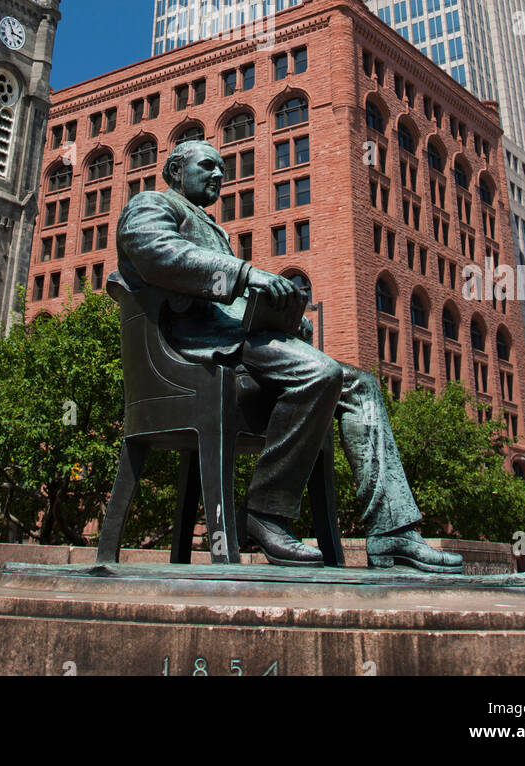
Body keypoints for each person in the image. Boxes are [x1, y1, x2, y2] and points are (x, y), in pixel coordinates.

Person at [114, 139, 463, 571]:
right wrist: (247, 274)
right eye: (208, 167)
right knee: (320, 372)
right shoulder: (149, 205)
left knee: (361, 385)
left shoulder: (216, 230)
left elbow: (231, 304)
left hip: (237, 343)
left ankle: (391, 532)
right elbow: (158, 256)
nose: (219, 175)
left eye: (223, 168)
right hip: (193, 353)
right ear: (175, 172)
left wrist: (282, 317)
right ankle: (265, 514)